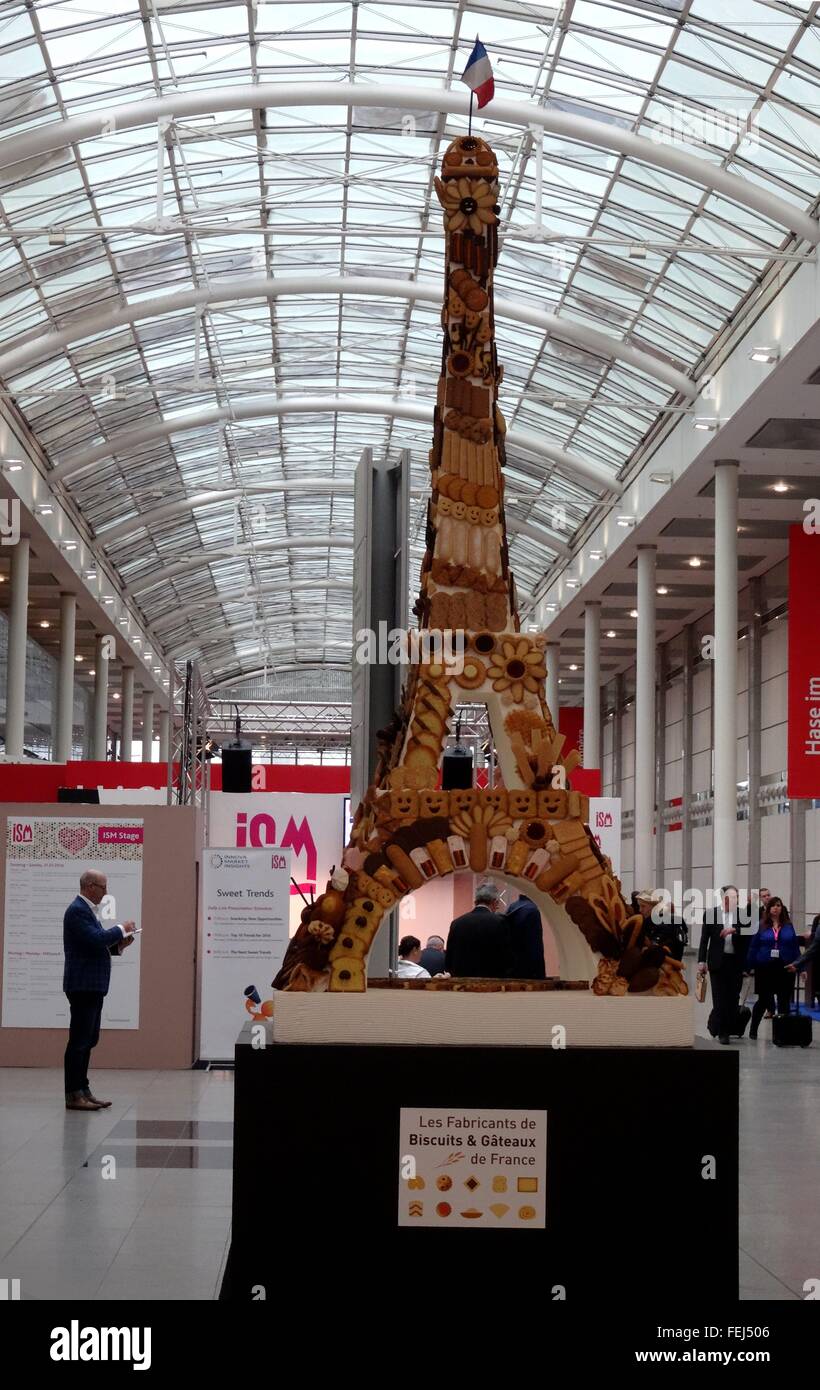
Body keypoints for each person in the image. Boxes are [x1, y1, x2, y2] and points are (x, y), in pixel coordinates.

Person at [63, 871, 136, 1111]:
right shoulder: (77, 911)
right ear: (89, 886)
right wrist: (120, 928)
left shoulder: (86, 911)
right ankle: (74, 1094)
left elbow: (95, 946)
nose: (106, 892)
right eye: (103, 887)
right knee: (79, 1041)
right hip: (83, 985)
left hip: (92, 985)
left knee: (89, 1039)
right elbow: (96, 940)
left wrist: (119, 945)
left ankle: (83, 1089)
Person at [697, 885, 751, 1045]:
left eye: (735, 897)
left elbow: (749, 934)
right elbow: (704, 939)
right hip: (717, 961)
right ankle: (723, 1031)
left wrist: (735, 930)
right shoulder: (711, 914)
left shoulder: (742, 915)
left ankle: (722, 1025)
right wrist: (701, 961)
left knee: (733, 997)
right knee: (719, 998)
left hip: (735, 961)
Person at [746, 897, 800, 1039]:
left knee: (783, 1000)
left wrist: (800, 966)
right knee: (764, 1000)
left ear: (782, 908)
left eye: (779, 905)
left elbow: (794, 947)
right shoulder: (762, 925)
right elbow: (754, 946)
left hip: (784, 966)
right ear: (768, 909)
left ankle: (782, 1034)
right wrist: (749, 965)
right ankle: (753, 1030)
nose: (776, 908)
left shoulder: (788, 926)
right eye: (773, 906)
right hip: (765, 967)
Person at [446, 881, 511, 979]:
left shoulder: (457, 923)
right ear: (494, 901)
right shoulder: (499, 922)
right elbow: (506, 955)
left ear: (475, 901)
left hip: (462, 982)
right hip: (491, 981)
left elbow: (449, 957)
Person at [503, 893, 546, 980]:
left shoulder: (512, 907)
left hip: (512, 966)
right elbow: (536, 945)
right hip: (529, 968)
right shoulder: (532, 910)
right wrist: (540, 974)